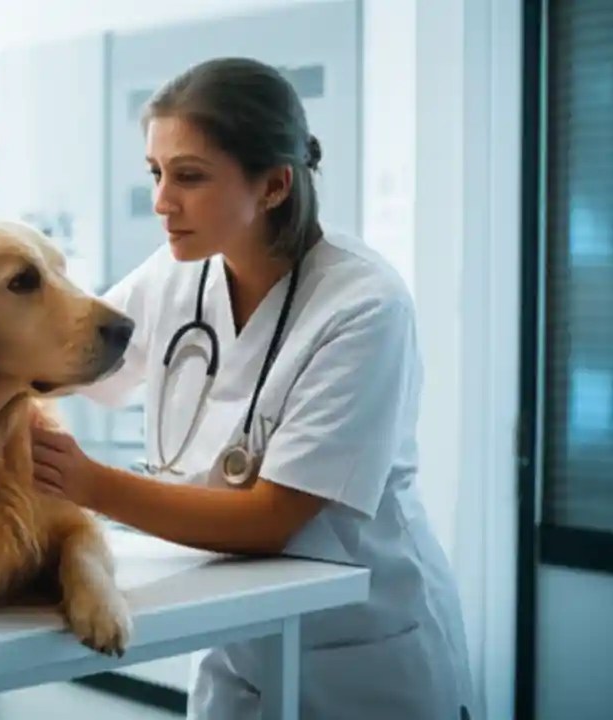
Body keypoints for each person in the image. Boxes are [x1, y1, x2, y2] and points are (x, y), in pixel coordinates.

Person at [30, 57, 473, 719]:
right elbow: (58, 361)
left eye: (189, 176)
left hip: (362, 654)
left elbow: (272, 519)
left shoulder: (363, 305)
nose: (161, 201)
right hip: (237, 647)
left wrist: (90, 484)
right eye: (156, 174)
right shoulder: (175, 276)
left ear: (272, 186)